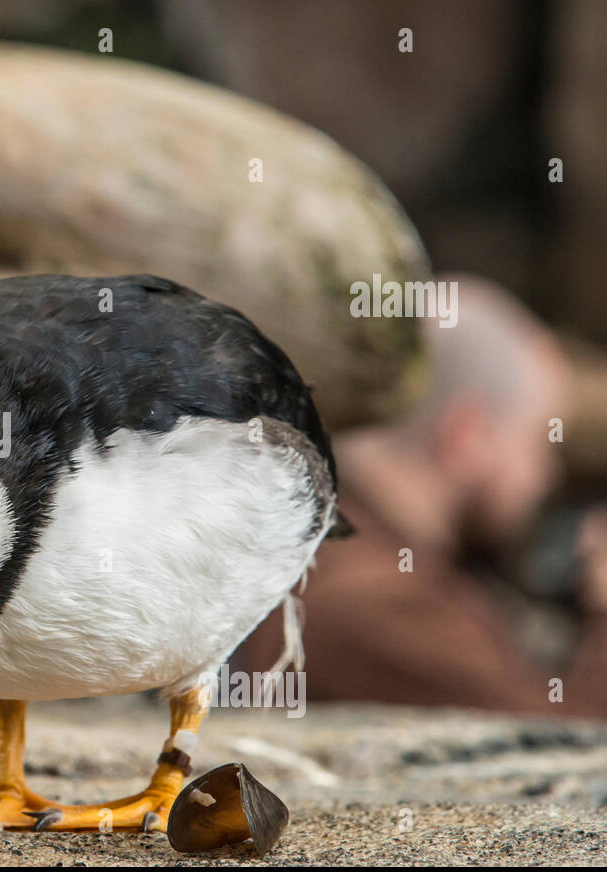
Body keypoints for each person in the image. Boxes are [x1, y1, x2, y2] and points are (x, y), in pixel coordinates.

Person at [236, 274, 607, 716]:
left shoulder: (343, 554)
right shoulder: (374, 604)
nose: (547, 474)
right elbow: (555, 748)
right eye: (539, 444)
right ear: (468, 436)